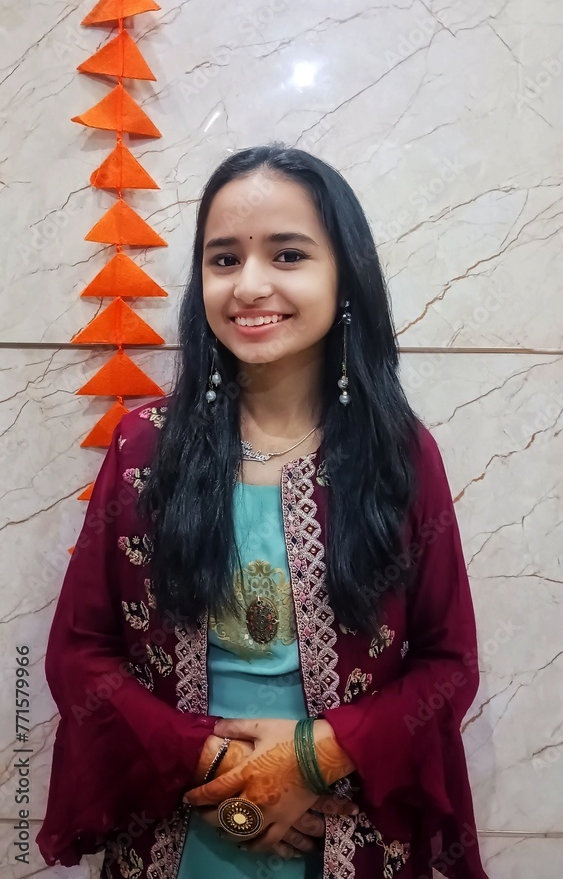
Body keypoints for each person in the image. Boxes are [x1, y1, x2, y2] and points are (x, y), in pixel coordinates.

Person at [37, 144, 489, 879]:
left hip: (343, 828)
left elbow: (448, 663)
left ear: (345, 276)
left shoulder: (397, 455)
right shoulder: (146, 447)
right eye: (224, 259)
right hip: (178, 820)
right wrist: (213, 766)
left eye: (287, 255)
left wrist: (313, 757)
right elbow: (81, 653)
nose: (249, 286)